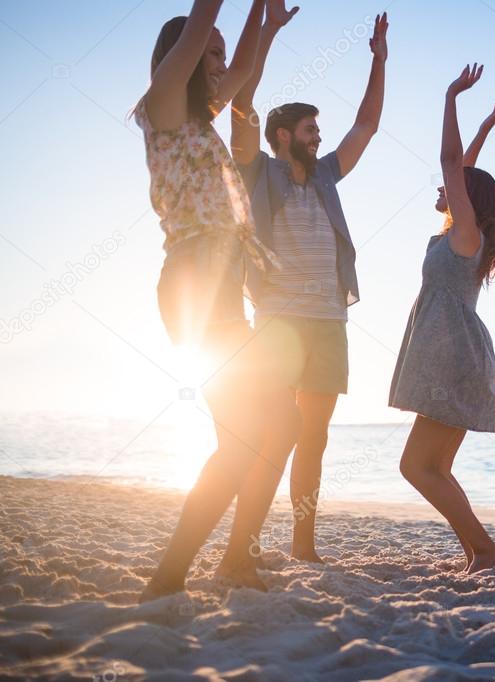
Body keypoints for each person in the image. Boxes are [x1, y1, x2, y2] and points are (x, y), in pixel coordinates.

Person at [134, 0, 301, 600]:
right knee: (247, 434)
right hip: (194, 280)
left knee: (281, 422)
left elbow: (246, 69)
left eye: (220, 55)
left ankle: (234, 559)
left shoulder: (201, 116)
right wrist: (218, 21)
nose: (220, 63)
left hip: (222, 281)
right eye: (210, 52)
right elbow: (201, 22)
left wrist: (266, 20)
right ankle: (171, 576)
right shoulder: (163, 102)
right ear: (177, 57)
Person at [231, 9, 388, 564]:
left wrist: (379, 60)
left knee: (314, 437)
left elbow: (366, 126)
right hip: (277, 319)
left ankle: (303, 545)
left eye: (319, 131)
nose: (318, 137)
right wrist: (269, 31)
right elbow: (242, 105)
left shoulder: (326, 175)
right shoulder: (258, 170)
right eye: (309, 130)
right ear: (283, 136)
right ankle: (246, 540)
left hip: (329, 320)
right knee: (276, 431)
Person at [390, 64, 495, 574]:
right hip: (454, 355)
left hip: (452, 359)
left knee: (416, 466)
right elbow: (464, 168)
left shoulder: (466, 235)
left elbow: (452, 163)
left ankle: (486, 550)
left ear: (466, 199)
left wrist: (451, 97)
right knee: (433, 466)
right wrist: (482, 130)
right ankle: (481, 552)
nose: (442, 185)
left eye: (453, 186)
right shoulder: (462, 233)